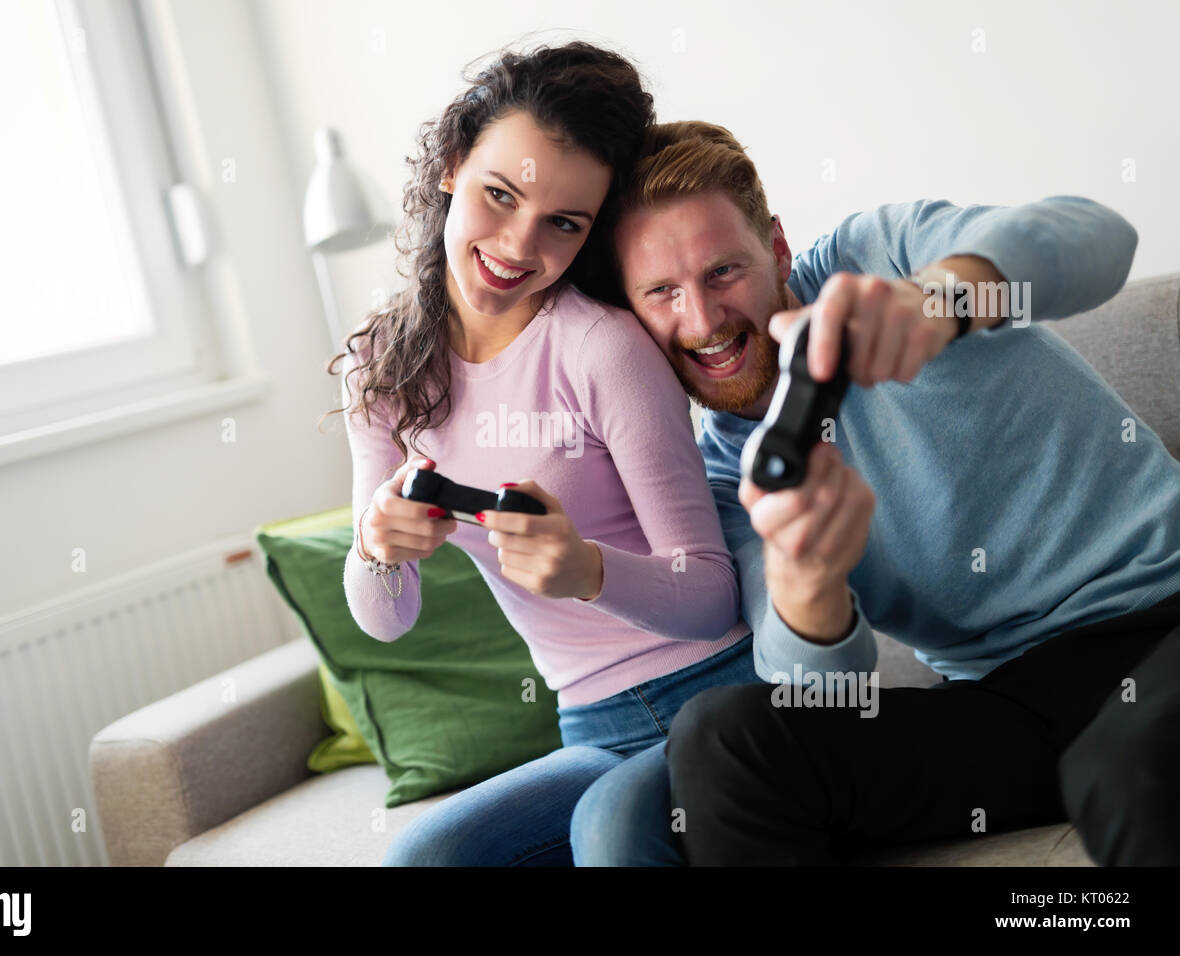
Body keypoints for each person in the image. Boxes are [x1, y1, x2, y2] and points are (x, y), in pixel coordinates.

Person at [570, 120, 1180, 865]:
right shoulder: (730, 480)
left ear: (777, 248)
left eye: (722, 272)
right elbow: (824, 696)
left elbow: (1100, 237)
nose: (701, 320)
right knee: (720, 739)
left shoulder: (876, 258)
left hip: (1161, 622)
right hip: (1008, 708)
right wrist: (809, 582)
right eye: (662, 292)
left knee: (1122, 771)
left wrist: (939, 299)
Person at [331, 45, 760, 866]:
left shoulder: (602, 350)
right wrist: (376, 546)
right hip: (590, 731)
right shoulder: (381, 367)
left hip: (716, 698)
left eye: (564, 222)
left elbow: (711, 594)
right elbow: (385, 622)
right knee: (421, 861)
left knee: (616, 842)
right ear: (453, 165)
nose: (519, 245)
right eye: (501, 195)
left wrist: (587, 571)